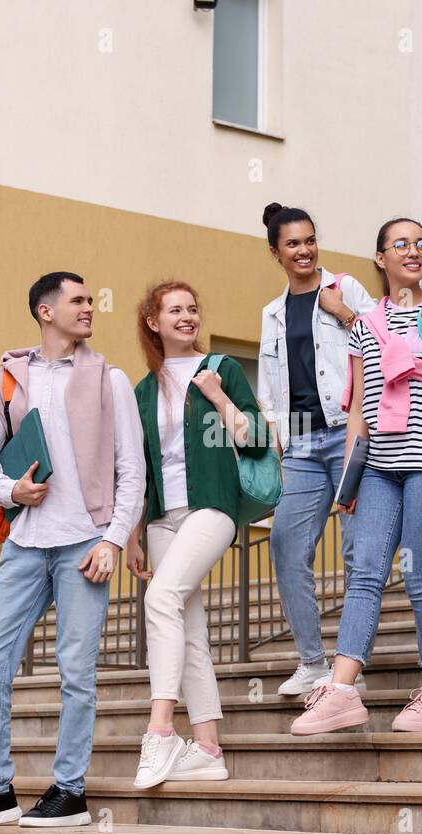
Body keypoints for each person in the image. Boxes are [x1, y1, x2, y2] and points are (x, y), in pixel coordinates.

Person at [0, 271, 145, 833]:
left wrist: (112, 538)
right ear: (45, 311)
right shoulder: (7, 379)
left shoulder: (111, 379)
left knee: (76, 670)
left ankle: (69, 791)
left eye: (91, 301)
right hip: (26, 543)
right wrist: (13, 492)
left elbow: (132, 470)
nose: (89, 308)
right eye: (78, 300)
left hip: (84, 544)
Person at [290, 218, 422, 735]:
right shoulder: (365, 324)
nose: (412, 251)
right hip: (381, 469)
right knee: (364, 573)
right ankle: (341, 691)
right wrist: (350, 480)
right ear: (381, 259)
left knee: (419, 577)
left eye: (420, 243)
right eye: (400, 245)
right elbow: (361, 407)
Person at [125, 280, 269, 787]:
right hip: (163, 516)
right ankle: (208, 748)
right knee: (188, 632)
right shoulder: (143, 390)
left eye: (192, 308)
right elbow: (139, 467)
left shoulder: (221, 369)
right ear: (153, 322)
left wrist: (218, 397)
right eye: (175, 310)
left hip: (212, 506)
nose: (187, 317)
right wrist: (132, 534)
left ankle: (160, 731)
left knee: (160, 600)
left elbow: (258, 439)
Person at [257, 203, 377, 696]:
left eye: (309, 240)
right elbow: (270, 387)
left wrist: (345, 314)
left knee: (356, 551)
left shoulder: (345, 289)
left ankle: (351, 667)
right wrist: (280, 445)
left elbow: (384, 345)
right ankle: (312, 662)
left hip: (349, 432)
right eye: (292, 244)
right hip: (302, 442)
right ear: (276, 252)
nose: (304, 250)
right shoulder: (272, 312)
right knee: (286, 545)